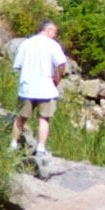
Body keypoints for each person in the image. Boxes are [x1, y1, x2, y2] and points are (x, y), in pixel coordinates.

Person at [11, 19, 68, 158]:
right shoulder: (52, 45)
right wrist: (57, 79)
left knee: (21, 118)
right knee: (44, 119)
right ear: (48, 30)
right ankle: (41, 148)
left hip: (27, 87)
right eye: (54, 31)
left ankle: (12, 144)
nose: (55, 35)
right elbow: (61, 64)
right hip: (46, 88)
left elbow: (17, 66)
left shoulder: (26, 44)